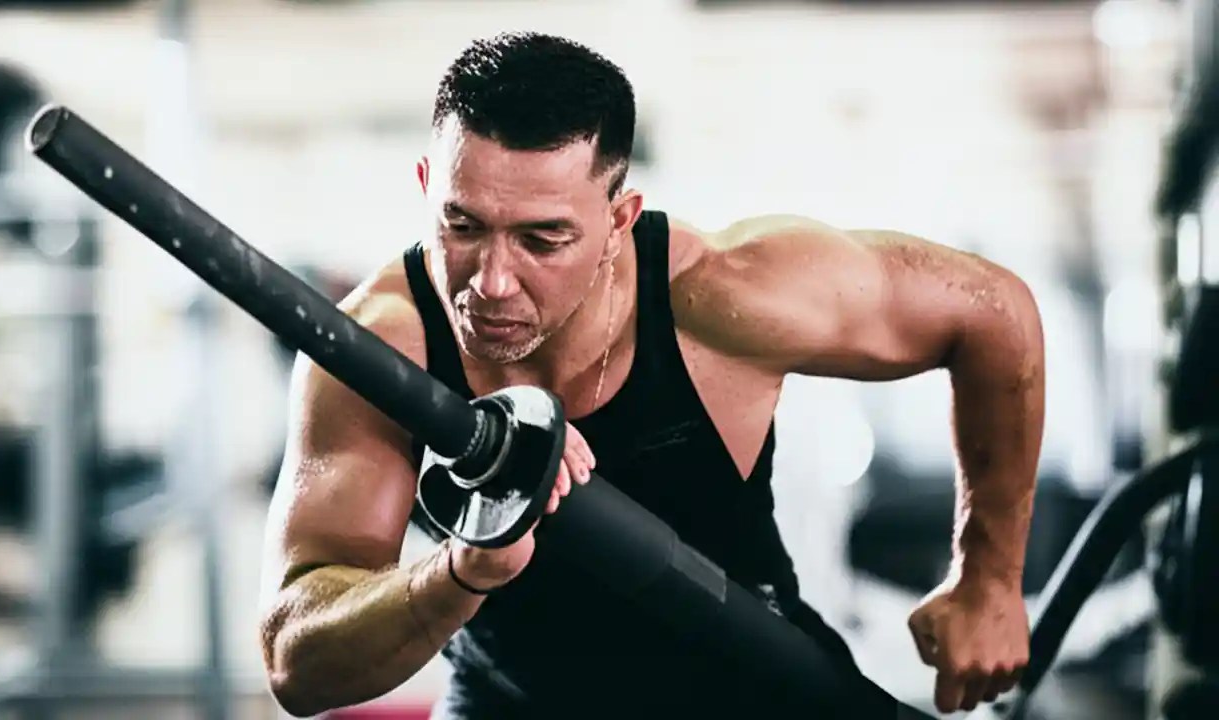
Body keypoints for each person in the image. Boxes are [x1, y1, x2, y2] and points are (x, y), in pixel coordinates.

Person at [259, 31, 1042, 719]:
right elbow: (296, 662)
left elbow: (992, 312)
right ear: (427, 185)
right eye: (462, 225)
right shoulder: (380, 347)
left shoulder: (724, 298)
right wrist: (458, 574)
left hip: (751, 684)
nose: (491, 282)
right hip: (513, 702)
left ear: (618, 221)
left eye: (543, 240)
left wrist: (990, 578)